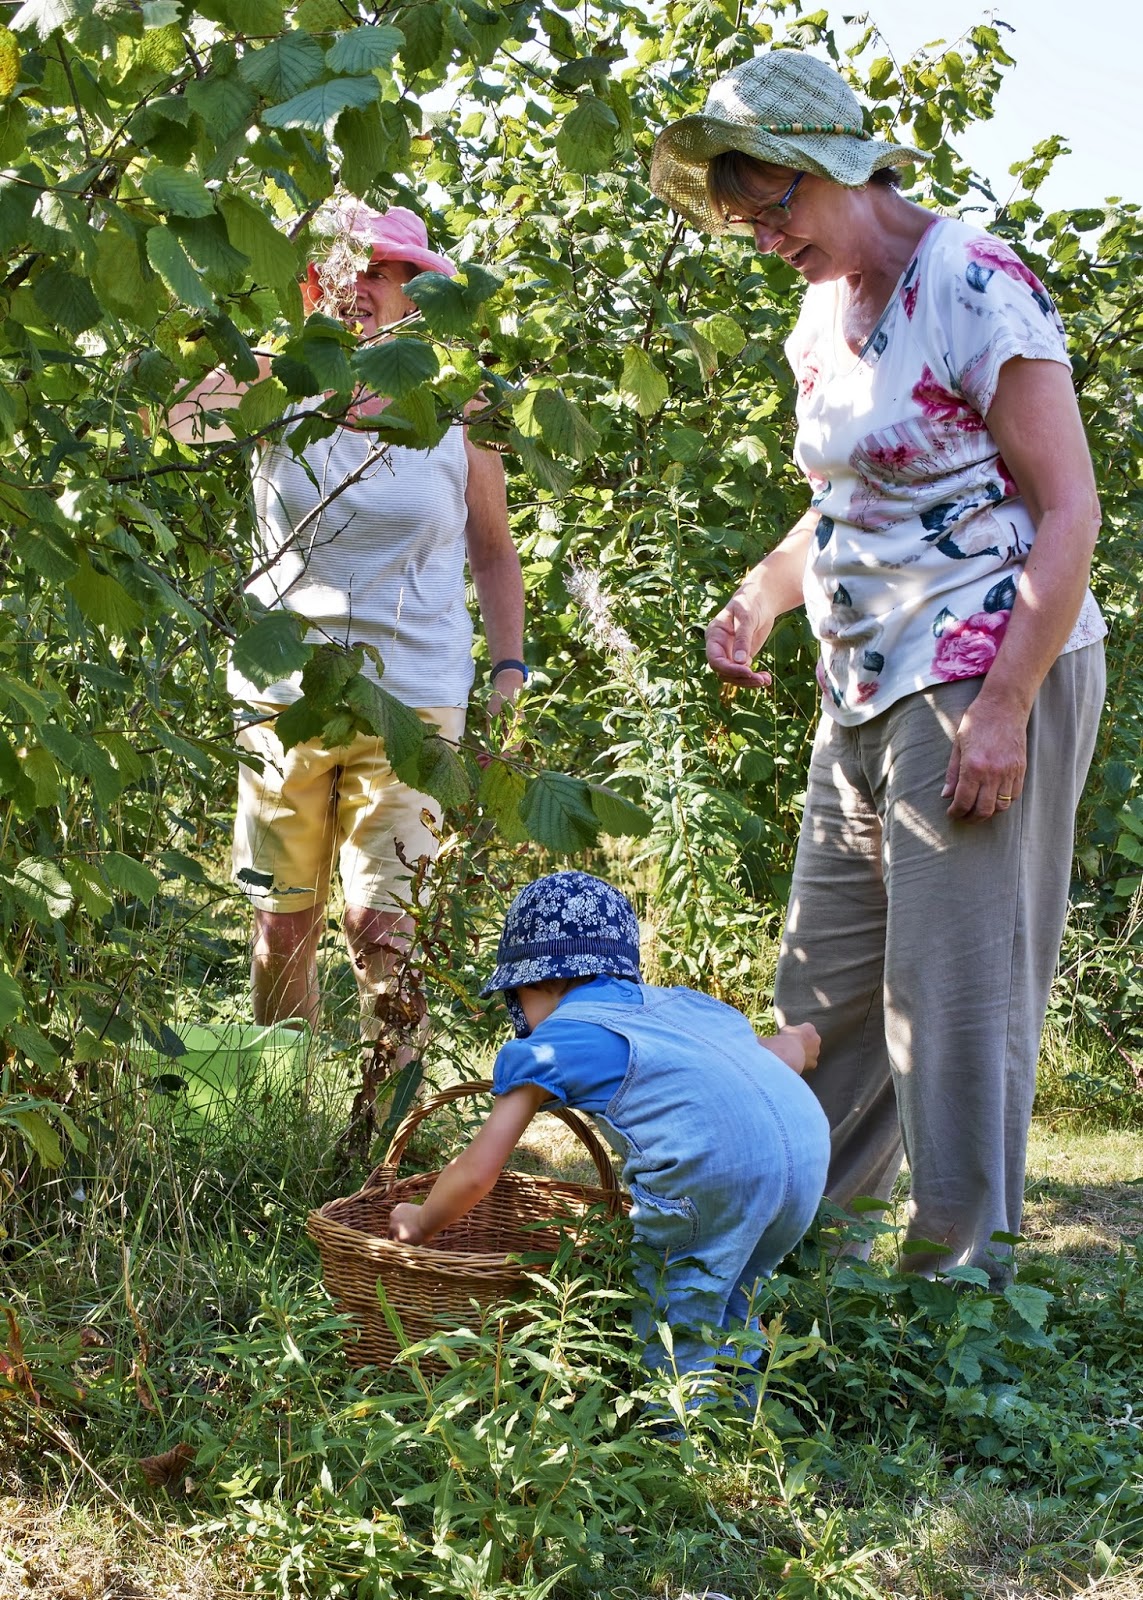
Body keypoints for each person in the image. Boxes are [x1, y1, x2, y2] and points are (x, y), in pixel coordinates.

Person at [650, 51, 1106, 1284]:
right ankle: (817, 1238)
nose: (761, 235)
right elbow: (851, 501)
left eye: (774, 205)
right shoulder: (821, 311)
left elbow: (1069, 512)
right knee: (829, 982)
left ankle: (960, 1286)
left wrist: (1005, 704)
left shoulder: (975, 283)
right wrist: (760, 594)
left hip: (980, 673)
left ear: (836, 166)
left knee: (951, 995)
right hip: (858, 679)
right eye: (744, 217)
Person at [167, 205, 526, 1050]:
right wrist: (252, 362)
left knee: (383, 929)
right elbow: (167, 425)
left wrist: (508, 668)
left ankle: (387, 1129)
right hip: (281, 697)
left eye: (377, 271)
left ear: (412, 295)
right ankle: (286, 1117)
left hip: (415, 697)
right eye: (331, 268)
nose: (354, 286)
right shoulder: (272, 383)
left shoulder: (454, 407)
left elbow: (494, 552)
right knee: (280, 927)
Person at [387, 870, 830, 1389]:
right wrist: (800, 1041)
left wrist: (420, 1223)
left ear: (542, 983)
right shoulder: (684, 1006)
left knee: (676, 1312)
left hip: (711, 1174)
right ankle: (743, 1406)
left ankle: (680, 1439)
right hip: (805, 1156)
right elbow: (778, 1055)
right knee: (735, 1289)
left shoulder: (552, 1042)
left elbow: (478, 1172)